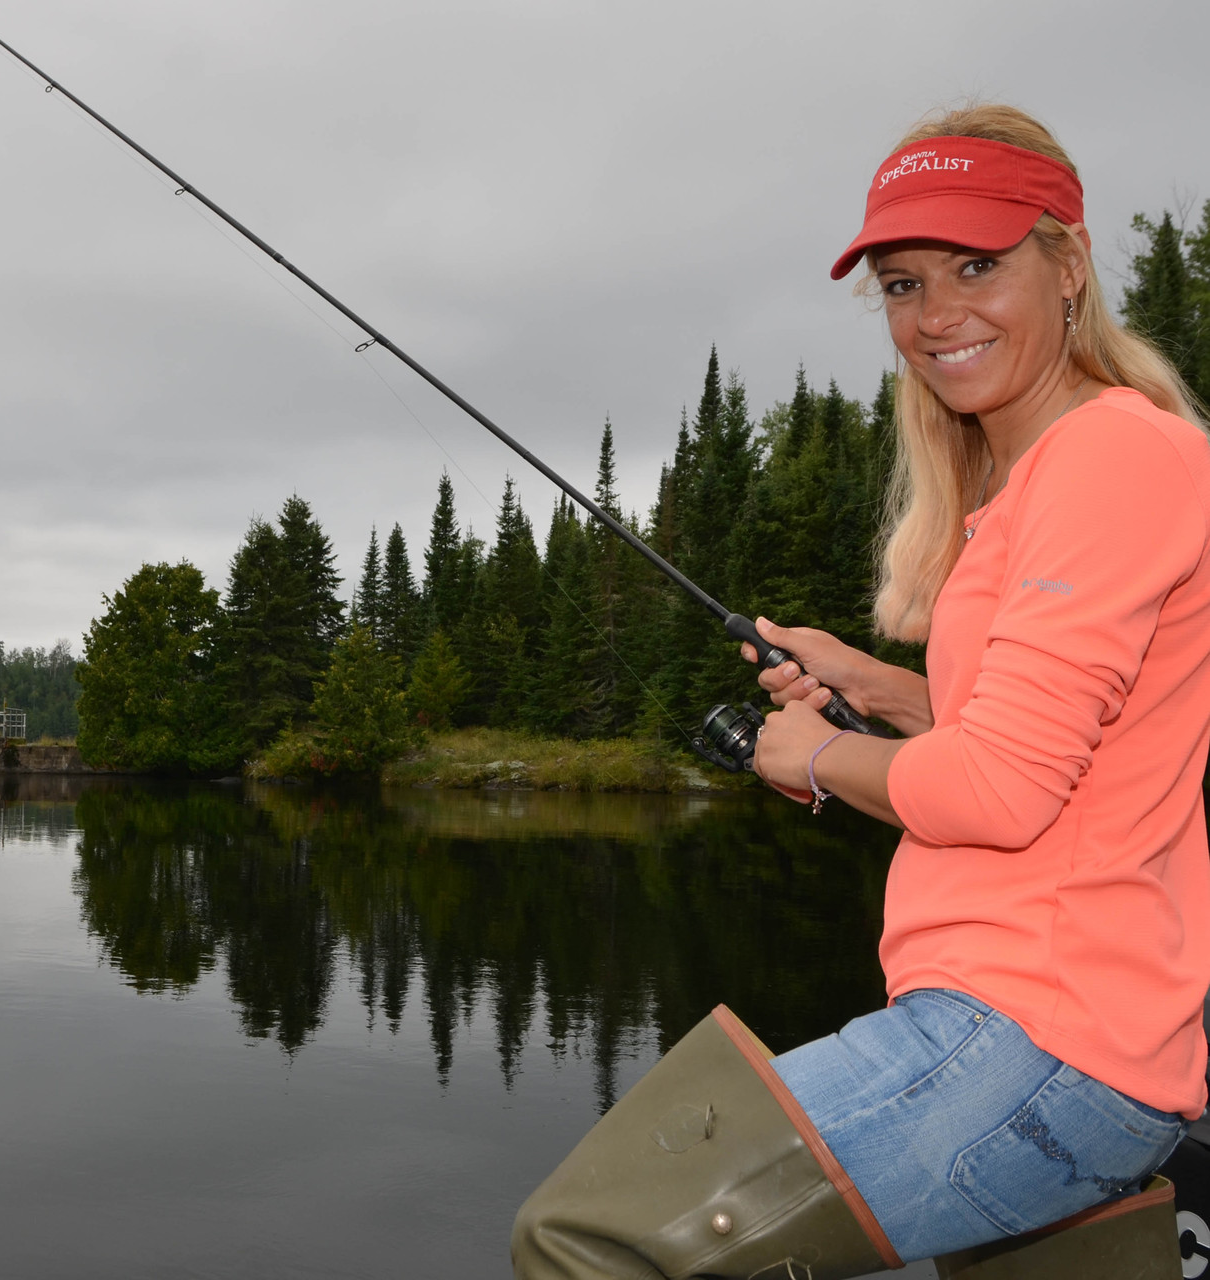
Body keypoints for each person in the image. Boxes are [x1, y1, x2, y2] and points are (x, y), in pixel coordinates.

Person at [512, 104, 1209, 1278]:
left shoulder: (1108, 454)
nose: (935, 316)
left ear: (1069, 262)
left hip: (1035, 1035)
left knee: (585, 1239)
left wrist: (810, 757)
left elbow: (998, 789)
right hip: (1075, 1044)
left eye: (974, 267)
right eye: (899, 283)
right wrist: (875, 687)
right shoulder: (1052, 473)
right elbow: (1066, 748)